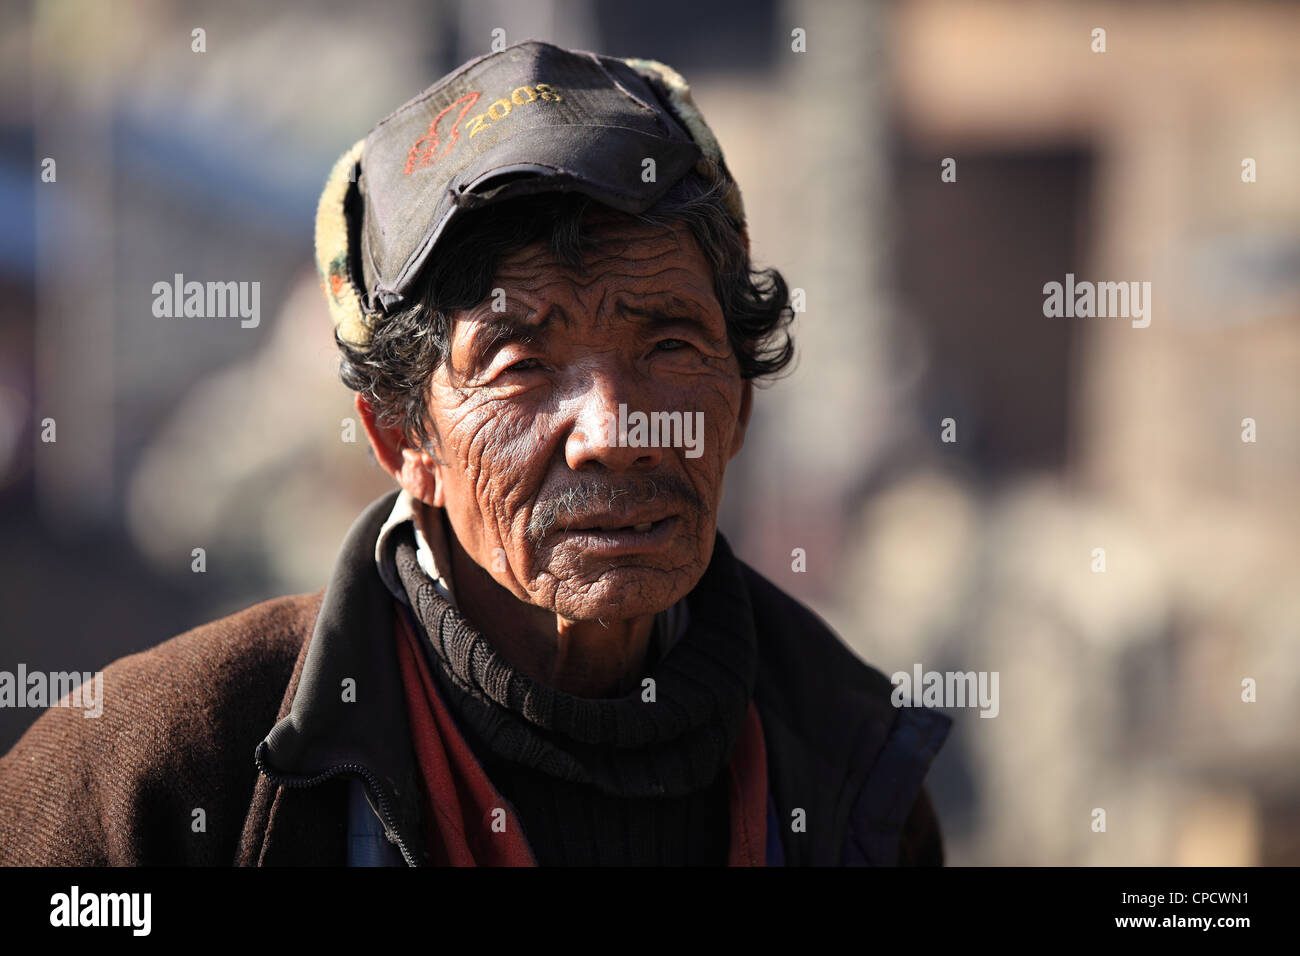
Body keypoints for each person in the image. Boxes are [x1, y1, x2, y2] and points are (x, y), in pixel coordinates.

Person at [0, 39, 950, 866]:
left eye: (668, 346)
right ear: (402, 438)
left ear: (738, 403)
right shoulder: (152, 785)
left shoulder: (852, 771)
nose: (614, 433)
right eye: (522, 362)